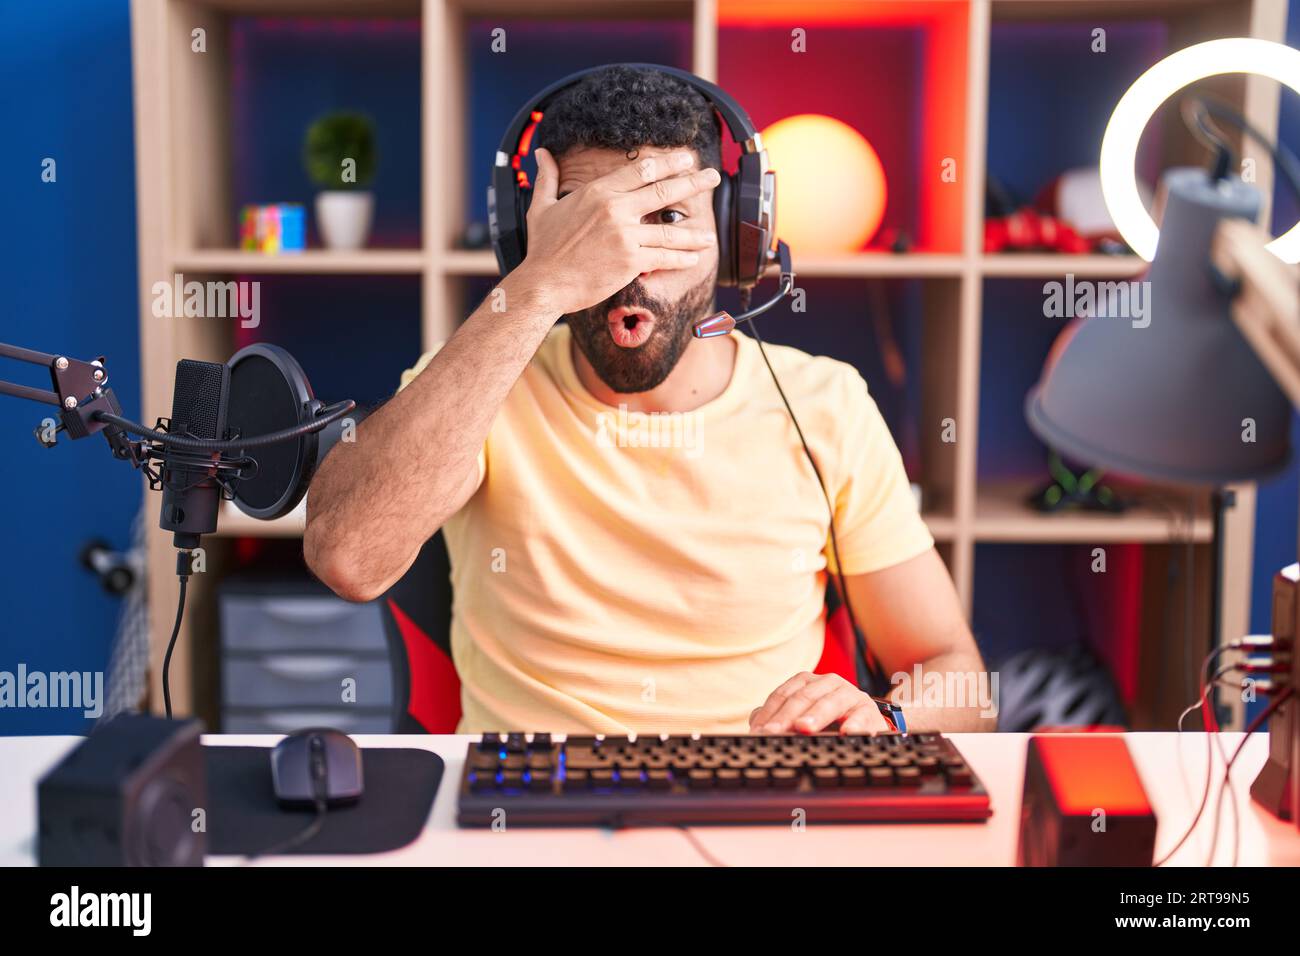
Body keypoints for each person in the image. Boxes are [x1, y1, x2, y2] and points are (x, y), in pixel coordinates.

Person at [305, 65, 992, 736]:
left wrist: (888, 717)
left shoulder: (826, 405)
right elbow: (347, 558)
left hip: (749, 808)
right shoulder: (475, 386)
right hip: (526, 809)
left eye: (666, 218)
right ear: (527, 240)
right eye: (586, 226)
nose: (629, 264)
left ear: (734, 234)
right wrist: (542, 286)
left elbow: (961, 680)